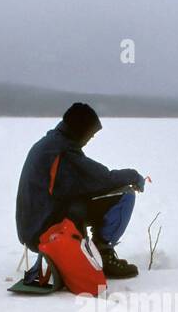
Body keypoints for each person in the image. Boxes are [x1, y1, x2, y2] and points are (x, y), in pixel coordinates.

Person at [15, 103, 145, 278]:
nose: (89, 139)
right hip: (44, 229)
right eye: (90, 134)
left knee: (82, 200)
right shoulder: (62, 152)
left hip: (34, 226)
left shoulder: (50, 144)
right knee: (125, 195)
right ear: (79, 129)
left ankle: (91, 252)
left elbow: (81, 184)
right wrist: (134, 176)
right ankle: (103, 255)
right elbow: (101, 179)